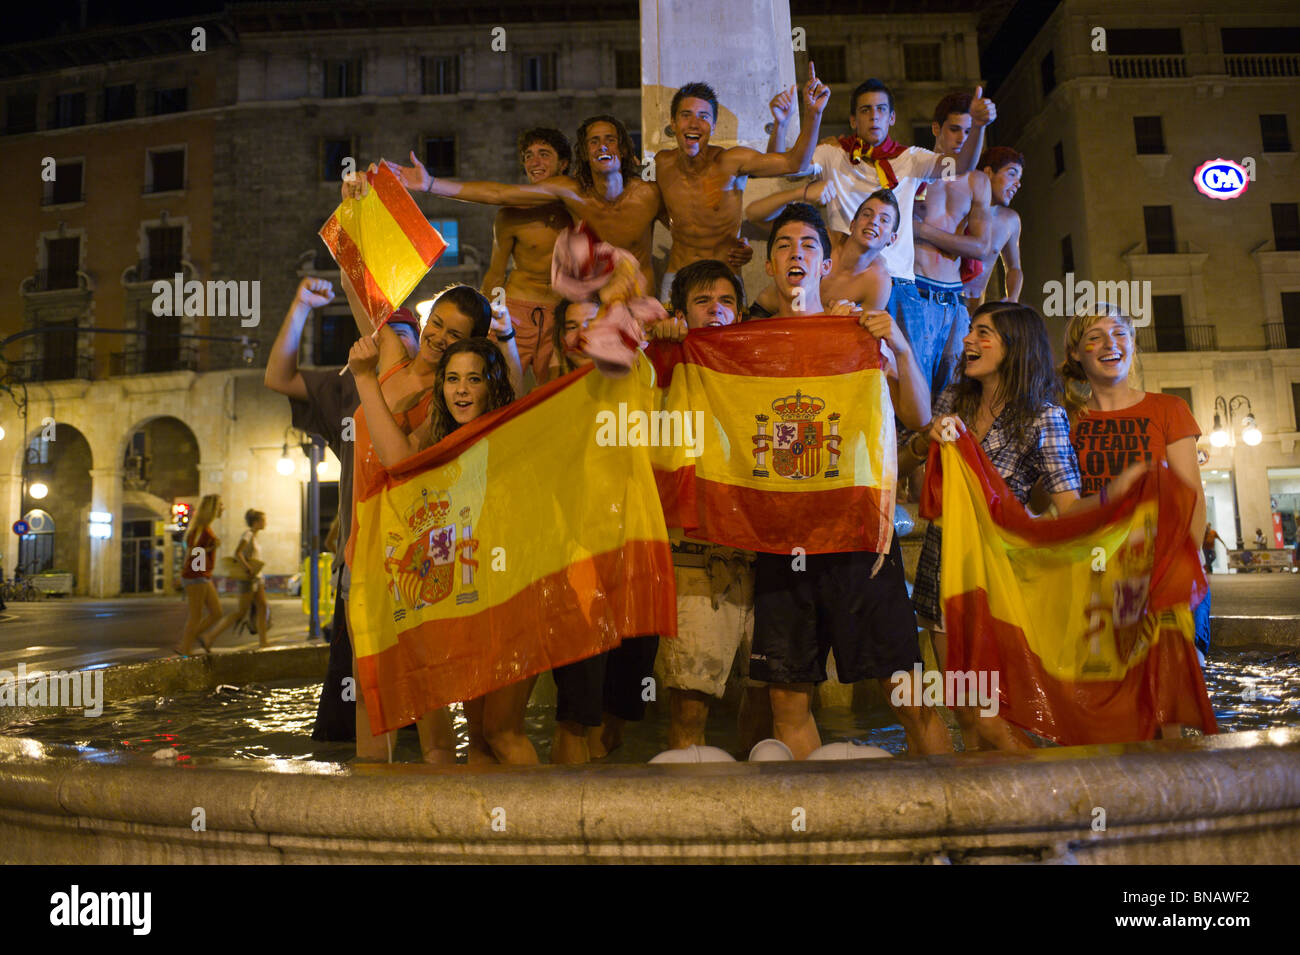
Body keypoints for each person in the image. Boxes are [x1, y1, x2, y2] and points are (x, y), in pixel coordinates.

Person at [745, 204, 950, 759]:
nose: (796, 255)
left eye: (808, 246)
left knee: (907, 695)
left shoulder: (856, 332)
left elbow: (917, 416)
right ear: (770, 266)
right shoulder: (752, 343)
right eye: (784, 246)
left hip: (859, 536)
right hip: (782, 538)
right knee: (788, 702)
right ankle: (820, 835)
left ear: (826, 262)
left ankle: (954, 825)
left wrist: (901, 347)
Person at [903, 302, 1144, 751]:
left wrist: (1120, 498)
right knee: (964, 714)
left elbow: (1068, 507)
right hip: (942, 573)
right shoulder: (954, 399)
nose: (969, 341)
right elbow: (911, 474)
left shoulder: (1043, 416)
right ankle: (989, 814)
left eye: (983, 333)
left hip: (999, 580)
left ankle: (1049, 802)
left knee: (990, 717)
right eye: (971, 332)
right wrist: (924, 441)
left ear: (1014, 347)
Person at [348, 336, 537, 764]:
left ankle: (539, 826)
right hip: (470, 604)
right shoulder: (439, 438)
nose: (462, 389)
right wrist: (364, 376)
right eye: (452, 379)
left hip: (512, 602)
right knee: (478, 736)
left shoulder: (512, 431)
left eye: (474, 379)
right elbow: (396, 460)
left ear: (494, 385)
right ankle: (484, 830)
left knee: (503, 730)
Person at [1060, 302, 1211, 727]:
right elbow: (1060, 507)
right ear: (1077, 354)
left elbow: (1191, 497)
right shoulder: (1066, 421)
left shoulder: (1169, 409)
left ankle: (1177, 792)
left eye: (1120, 334)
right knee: (1110, 703)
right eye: (1096, 337)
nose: (1111, 344)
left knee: (1170, 702)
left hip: (1166, 570)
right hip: (1098, 577)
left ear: (1133, 345)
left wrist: (1188, 560)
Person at [800, 79, 994, 384]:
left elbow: (957, 166)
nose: (873, 116)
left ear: (892, 117)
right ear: (853, 119)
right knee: (851, 374)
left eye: (881, 109)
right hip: (849, 281)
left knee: (909, 377)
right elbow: (792, 165)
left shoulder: (910, 159)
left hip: (902, 287)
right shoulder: (832, 153)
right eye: (865, 110)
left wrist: (980, 125)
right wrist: (810, 115)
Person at [389, 115, 663, 289]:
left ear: (624, 149)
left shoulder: (649, 195)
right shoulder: (572, 192)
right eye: (594, 141)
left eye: (610, 140)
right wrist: (430, 184)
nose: (602, 146)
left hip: (642, 311)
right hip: (594, 314)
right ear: (585, 153)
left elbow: (691, 228)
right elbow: (500, 194)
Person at [652, 69, 829, 299]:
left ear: (714, 126)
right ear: (673, 123)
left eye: (704, 117)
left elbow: (794, 163)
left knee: (728, 336)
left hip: (725, 276)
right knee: (670, 336)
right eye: (686, 115)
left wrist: (813, 113)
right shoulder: (661, 164)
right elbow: (654, 208)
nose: (695, 123)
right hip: (677, 275)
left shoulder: (732, 162)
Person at [908, 91, 993, 395]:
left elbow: (982, 247)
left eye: (970, 131)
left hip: (953, 298)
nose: (962, 138)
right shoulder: (917, 168)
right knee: (910, 389)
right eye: (955, 129)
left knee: (951, 395)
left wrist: (924, 232)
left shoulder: (977, 182)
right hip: (914, 291)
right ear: (936, 129)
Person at [481, 128, 574, 386]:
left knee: (559, 392)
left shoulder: (579, 208)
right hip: (517, 310)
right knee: (502, 389)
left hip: (561, 313)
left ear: (563, 163)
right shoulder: (511, 213)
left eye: (544, 154)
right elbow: (496, 272)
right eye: (529, 156)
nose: (535, 162)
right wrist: (483, 319)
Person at [746, 188, 898, 315]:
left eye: (884, 220)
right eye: (867, 214)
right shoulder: (818, 240)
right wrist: (802, 193)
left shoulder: (878, 282)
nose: (873, 221)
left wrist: (844, 316)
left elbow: (864, 332)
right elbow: (754, 214)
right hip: (766, 313)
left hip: (814, 332)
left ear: (892, 238)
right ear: (852, 224)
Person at [197, 509, 270, 650]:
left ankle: (263, 642)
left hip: (256, 578)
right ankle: (209, 636)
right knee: (240, 612)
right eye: (263, 520)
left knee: (262, 607)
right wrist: (248, 567)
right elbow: (237, 552)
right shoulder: (248, 535)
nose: (265, 522)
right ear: (256, 522)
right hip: (248, 578)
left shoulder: (254, 536)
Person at [960, 147, 1024, 310]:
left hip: (975, 310)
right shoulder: (959, 209)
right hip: (943, 300)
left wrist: (1012, 299)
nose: (1017, 184)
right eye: (1012, 174)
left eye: (1019, 178)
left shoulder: (1010, 221)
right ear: (988, 172)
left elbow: (1014, 268)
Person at [175, 493, 224, 655]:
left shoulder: (204, 529)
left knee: (216, 612)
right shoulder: (202, 530)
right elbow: (194, 554)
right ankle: (185, 650)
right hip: (196, 576)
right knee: (195, 616)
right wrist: (210, 549)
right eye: (220, 505)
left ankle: (189, 641)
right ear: (213, 508)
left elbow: (193, 552)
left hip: (201, 575)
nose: (223, 508)